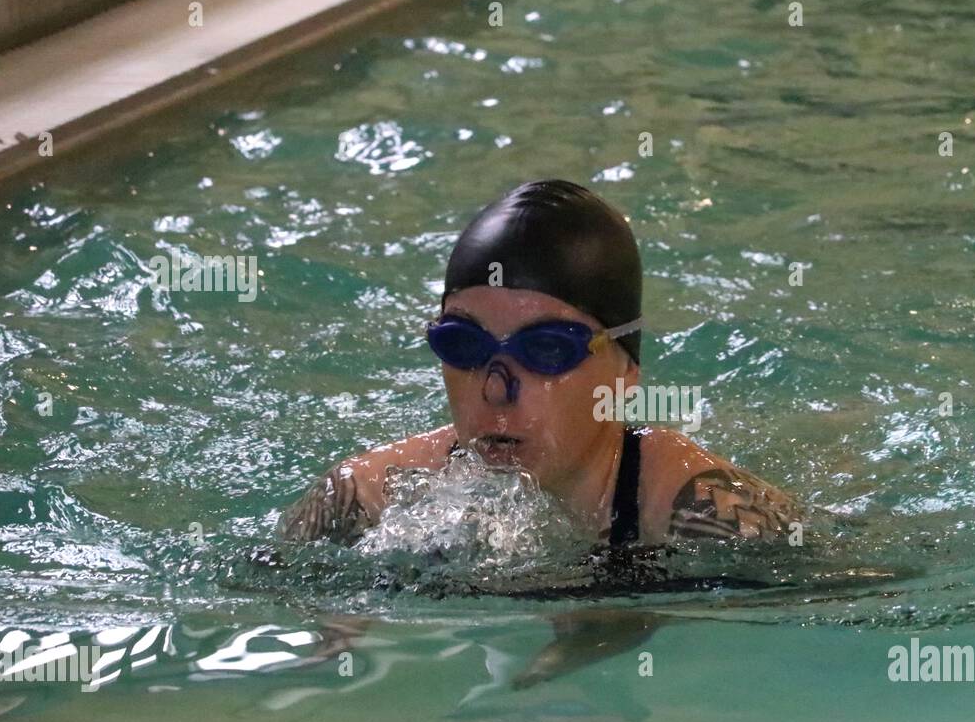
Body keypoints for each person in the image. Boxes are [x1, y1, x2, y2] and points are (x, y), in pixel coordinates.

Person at [279, 179, 802, 549]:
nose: (495, 389)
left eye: (546, 350)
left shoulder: (702, 511)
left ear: (624, 372)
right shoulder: (363, 499)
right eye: (464, 345)